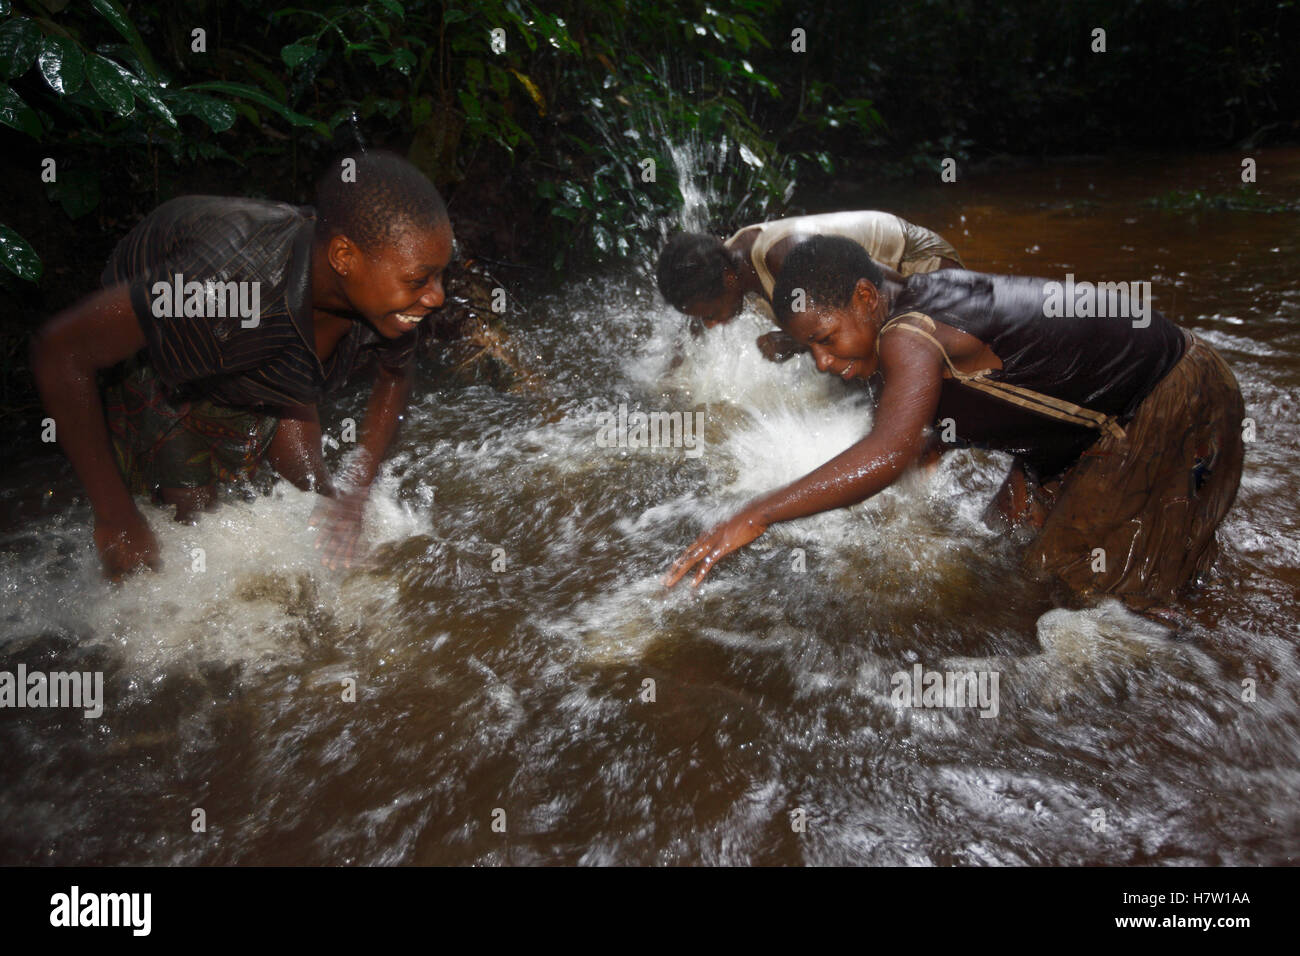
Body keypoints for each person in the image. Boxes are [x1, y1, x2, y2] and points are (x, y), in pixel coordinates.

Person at [664, 235, 1245, 610]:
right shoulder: (903, 319)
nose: (821, 361)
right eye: (808, 349)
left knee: (1086, 596)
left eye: (823, 338)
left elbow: (889, 453)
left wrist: (759, 512)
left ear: (866, 297)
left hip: (1170, 401)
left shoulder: (909, 335)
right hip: (1086, 423)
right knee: (1006, 545)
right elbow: (914, 444)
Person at [29, 150, 452, 579]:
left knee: (319, 506)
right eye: (420, 279)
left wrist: (356, 491)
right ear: (344, 258)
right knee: (192, 537)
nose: (436, 297)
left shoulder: (389, 307)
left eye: (439, 276)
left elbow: (394, 373)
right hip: (165, 357)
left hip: (270, 335)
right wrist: (115, 514)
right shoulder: (224, 288)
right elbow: (60, 351)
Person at [655, 210, 962, 361]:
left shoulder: (785, 256)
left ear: (729, 279)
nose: (711, 324)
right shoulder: (724, 263)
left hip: (922, 267)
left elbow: (892, 293)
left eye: (710, 313)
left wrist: (795, 343)